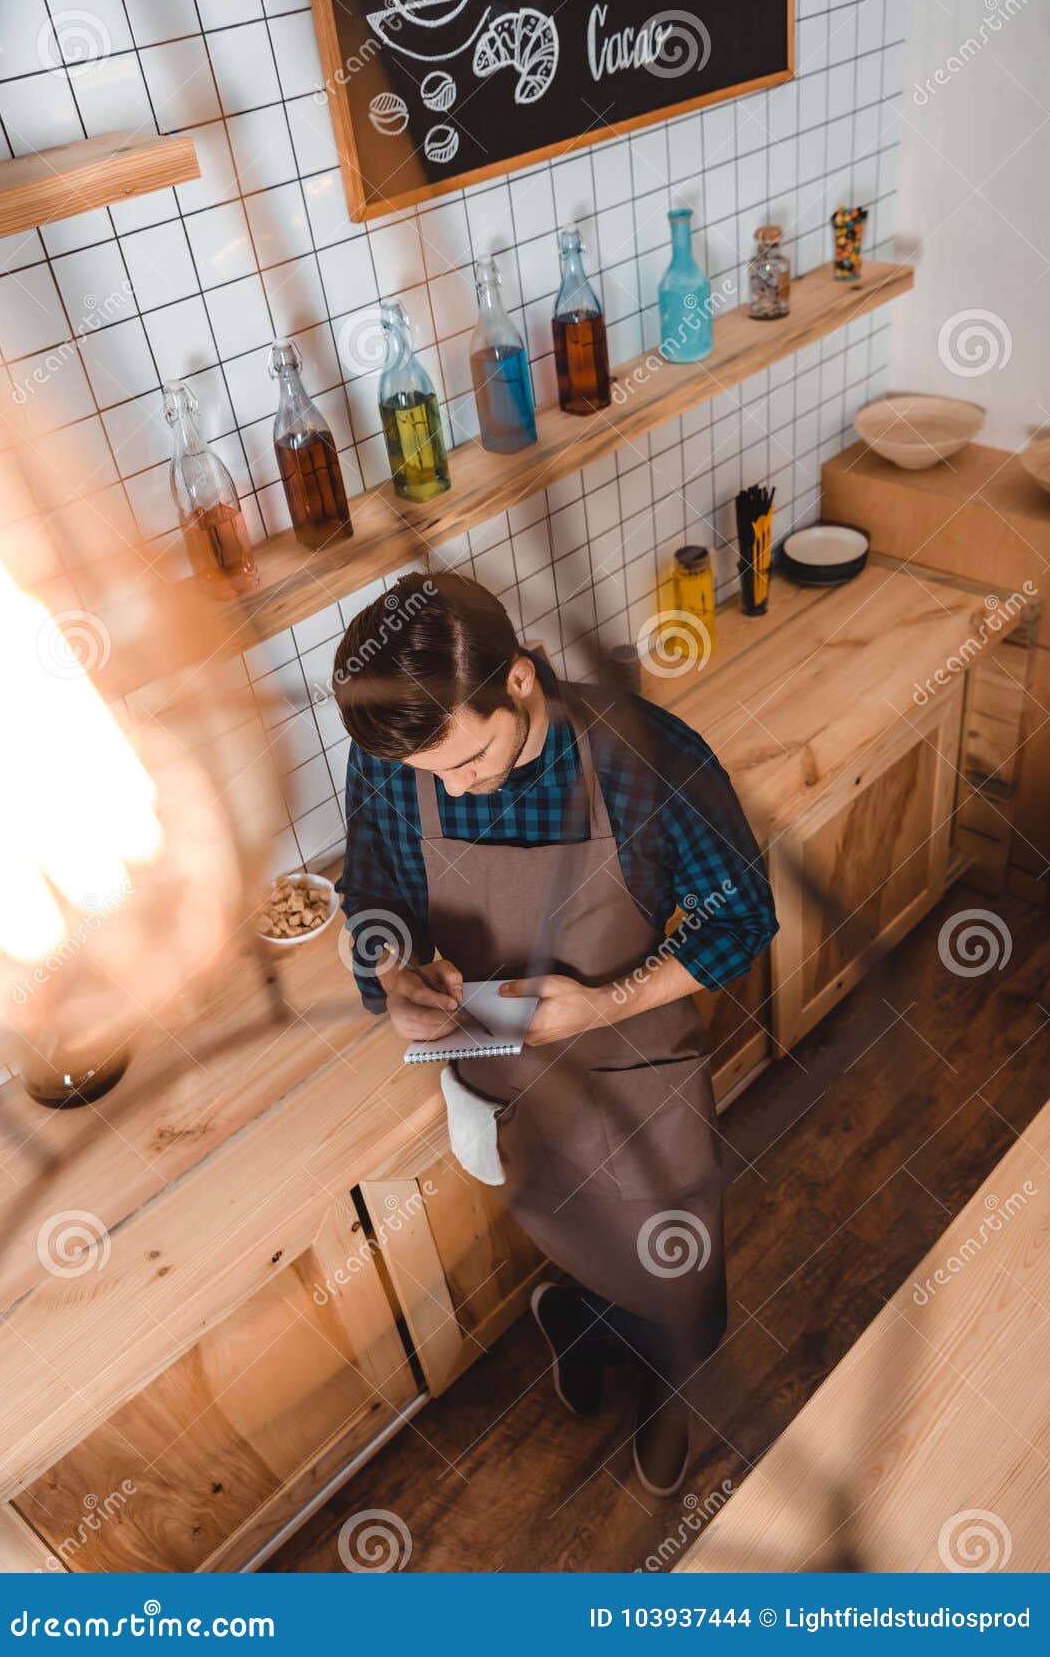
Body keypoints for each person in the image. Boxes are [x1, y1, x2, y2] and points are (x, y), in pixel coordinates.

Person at [333, 571, 777, 1495]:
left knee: (682, 1267)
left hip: (634, 1065)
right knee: (568, 1222)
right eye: (434, 776)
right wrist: (393, 973)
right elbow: (373, 899)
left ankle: (666, 1377)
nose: (454, 785)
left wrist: (605, 1002)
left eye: (471, 756)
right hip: (499, 1069)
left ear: (522, 679)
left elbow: (739, 918)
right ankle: (581, 1318)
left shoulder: (642, 757)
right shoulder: (395, 750)